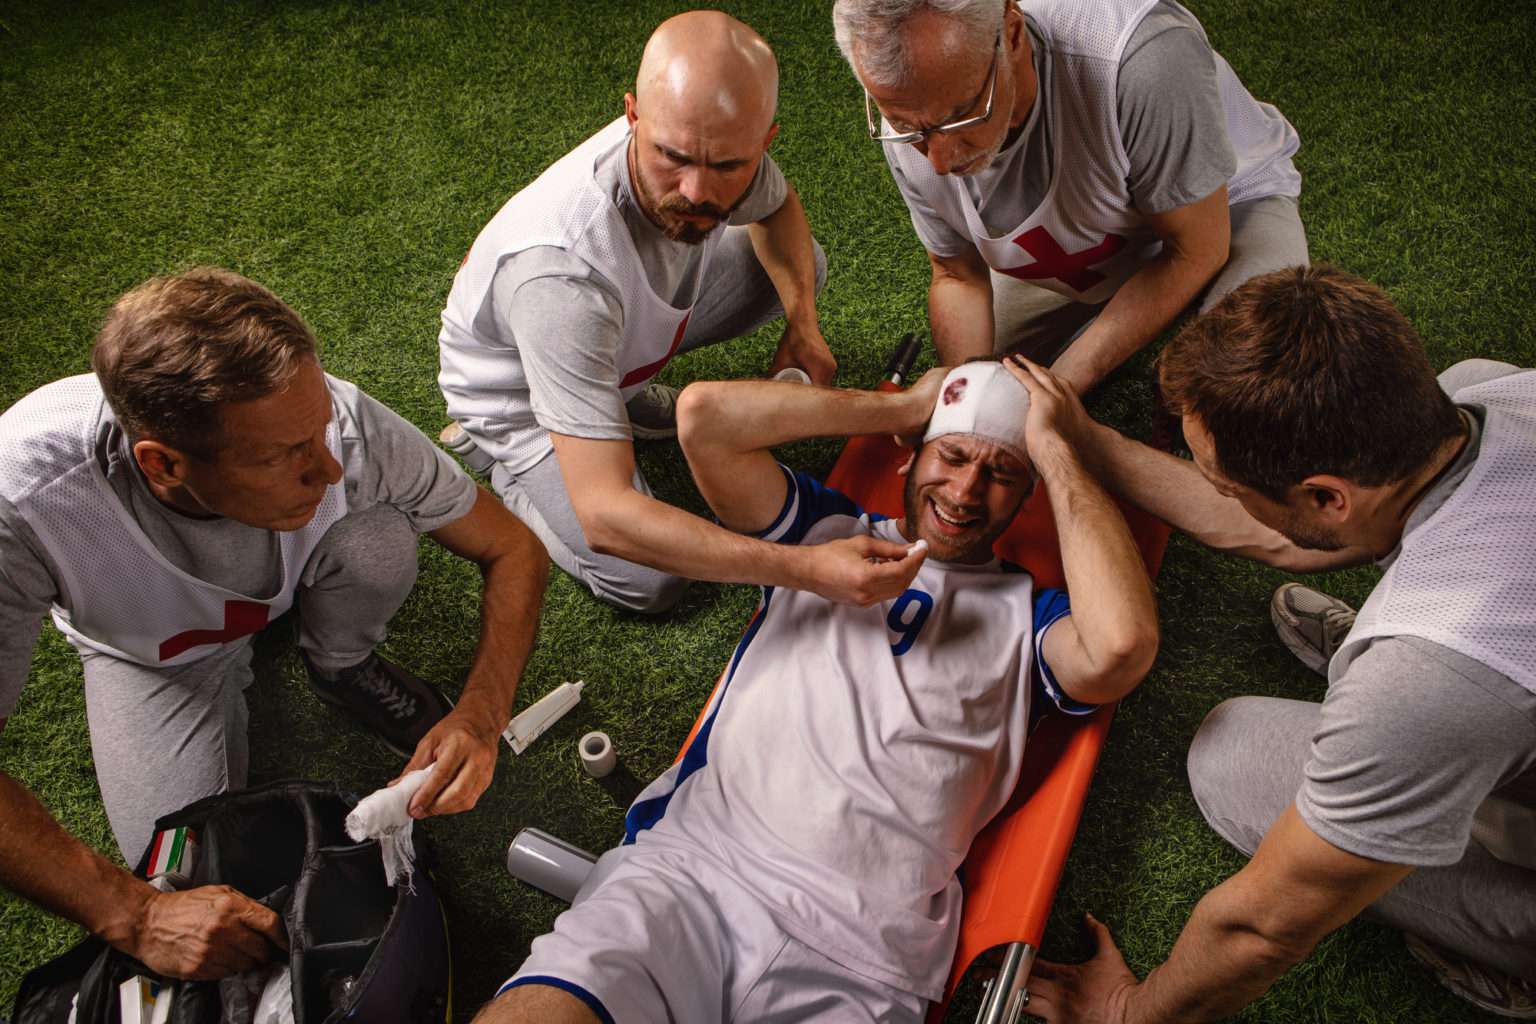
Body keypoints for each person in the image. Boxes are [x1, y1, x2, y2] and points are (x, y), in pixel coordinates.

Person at [474, 358, 1160, 1022]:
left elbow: (1121, 645)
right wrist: (900, 408)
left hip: (868, 954)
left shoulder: (1030, 618)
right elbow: (704, 417)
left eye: (1003, 473)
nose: (965, 492)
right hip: (696, 874)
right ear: (908, 458)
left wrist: (1056, 447)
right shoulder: (823, 533)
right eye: (950, 456)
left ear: (1029, 492)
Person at [0, 268, 549, 982]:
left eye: (316, 428)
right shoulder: (25, 498)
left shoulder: (346, 430)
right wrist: (133, 914)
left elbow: (514, 547)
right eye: (281, 454)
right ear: (162, 464)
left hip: (308, 573)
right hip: (161, 658)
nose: (324, 466)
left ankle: (341, 663)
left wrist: (481, 712)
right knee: (185, 874)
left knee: (379, 539)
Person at [1021, 266, 1536, 1021]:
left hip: (1450, 689)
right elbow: (1290, 537)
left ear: (1328, 496)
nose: (1224, 493)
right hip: (1472, 676)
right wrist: (1077, 438)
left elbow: (1264, 928)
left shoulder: (1429, 677)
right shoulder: (1491, 394)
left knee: (1229, 754)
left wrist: (1127, 1013)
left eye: (1229, 485)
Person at [439, 10, 878, 615]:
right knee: (648, 583)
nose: (697, 191)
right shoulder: (562, 281)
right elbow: (606, 517)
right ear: (633, 117)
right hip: (521, 391)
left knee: (803, 269)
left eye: (726, 166)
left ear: (762, 140)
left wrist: (803, 324)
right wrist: (804, 568)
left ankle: (619, 396)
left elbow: (778, 209)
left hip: (609, 339)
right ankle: (506, 468)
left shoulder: (707, 139)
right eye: (672, 156)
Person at [832, 0, 1306, 393]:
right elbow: (957, 273)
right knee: (990, 377)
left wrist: (1061, 386)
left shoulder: (1142, 59)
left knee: (1251, 386)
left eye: (960, 115)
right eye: (908, 126)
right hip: (1096, 236)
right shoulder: (914, 120)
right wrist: (968, 400)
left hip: (1227, 203)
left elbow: (1195, 250)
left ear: (1012, 33)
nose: (938, 159)